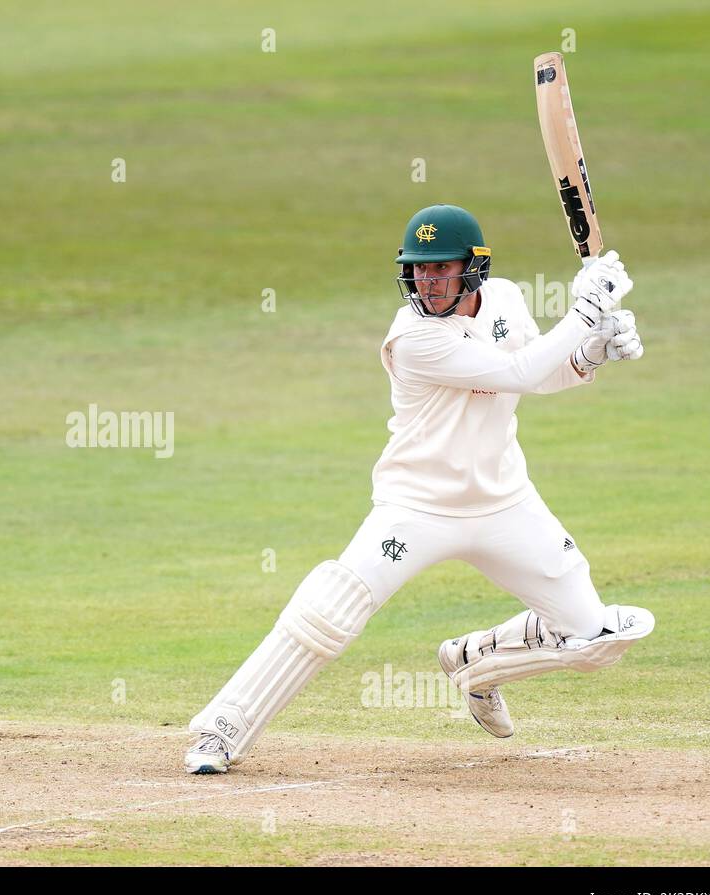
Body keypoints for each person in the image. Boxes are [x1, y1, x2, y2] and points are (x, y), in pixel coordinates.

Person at [184, 203, 651, 774]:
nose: (427, 282)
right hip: (417, 508)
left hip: (505, 503)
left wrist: (588, 352)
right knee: (331, 610)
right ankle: (223, 725)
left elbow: (536, 372)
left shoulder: (503, 298)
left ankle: (474, 661)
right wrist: (585, 313)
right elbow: (518, 373)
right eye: (418, 270)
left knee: (597, 636)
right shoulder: (413, 340)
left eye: (441, 269)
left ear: (474, 268)